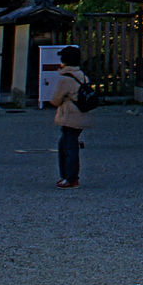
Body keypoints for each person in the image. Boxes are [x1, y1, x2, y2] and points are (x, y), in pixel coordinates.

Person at [47, 44, 93, 189]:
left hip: (69, 116)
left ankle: (70, 177)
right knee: (68, 144)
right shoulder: (82, 76)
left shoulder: (65, 78)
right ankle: (68, 177)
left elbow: (55, 100)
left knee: (68, 147)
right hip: (81, 114)